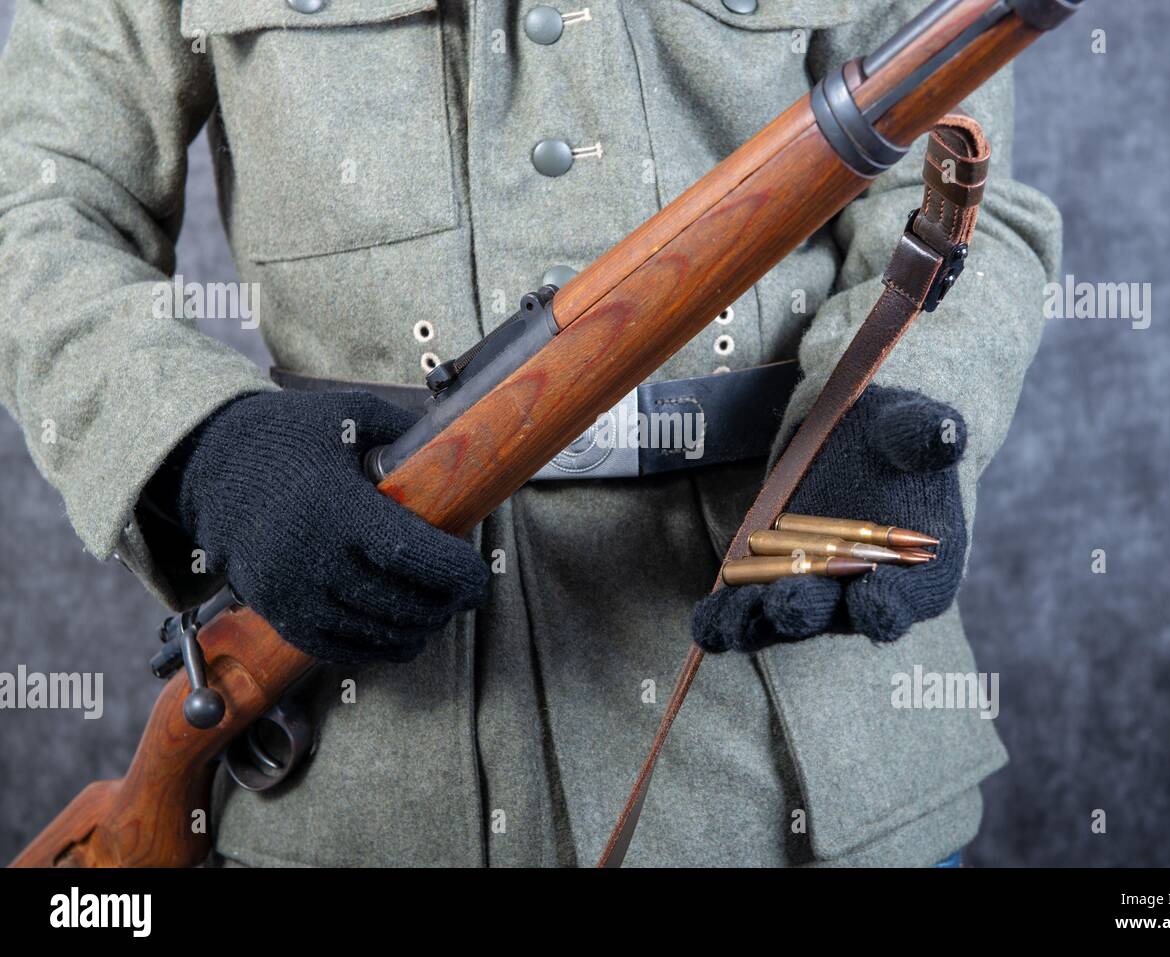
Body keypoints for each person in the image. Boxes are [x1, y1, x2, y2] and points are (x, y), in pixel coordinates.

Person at [0, 0, 1061, 867]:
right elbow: (39, 215)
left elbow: (963, 187)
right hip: (371, 786)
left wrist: (897, 407)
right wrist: (207, 449)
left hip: (802, 761)